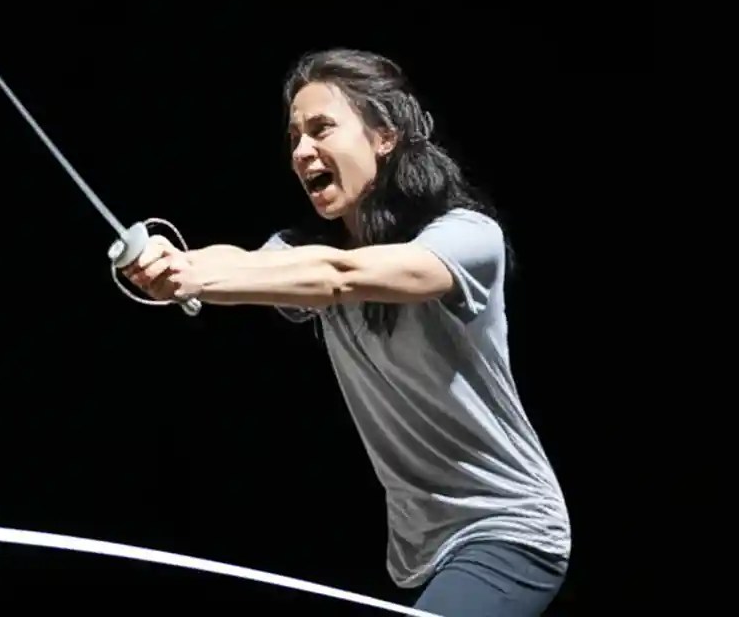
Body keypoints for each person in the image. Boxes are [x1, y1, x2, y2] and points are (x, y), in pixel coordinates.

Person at [122, 48, 570, 616]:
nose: (302, 151)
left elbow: (341, 277)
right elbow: (250, 264)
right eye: (293, 139)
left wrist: (193, 275)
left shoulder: (465, 238)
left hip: (511, 530)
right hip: (418, 549)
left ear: (384, 136)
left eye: (321, 129)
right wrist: (172, 266)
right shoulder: (303, 253)